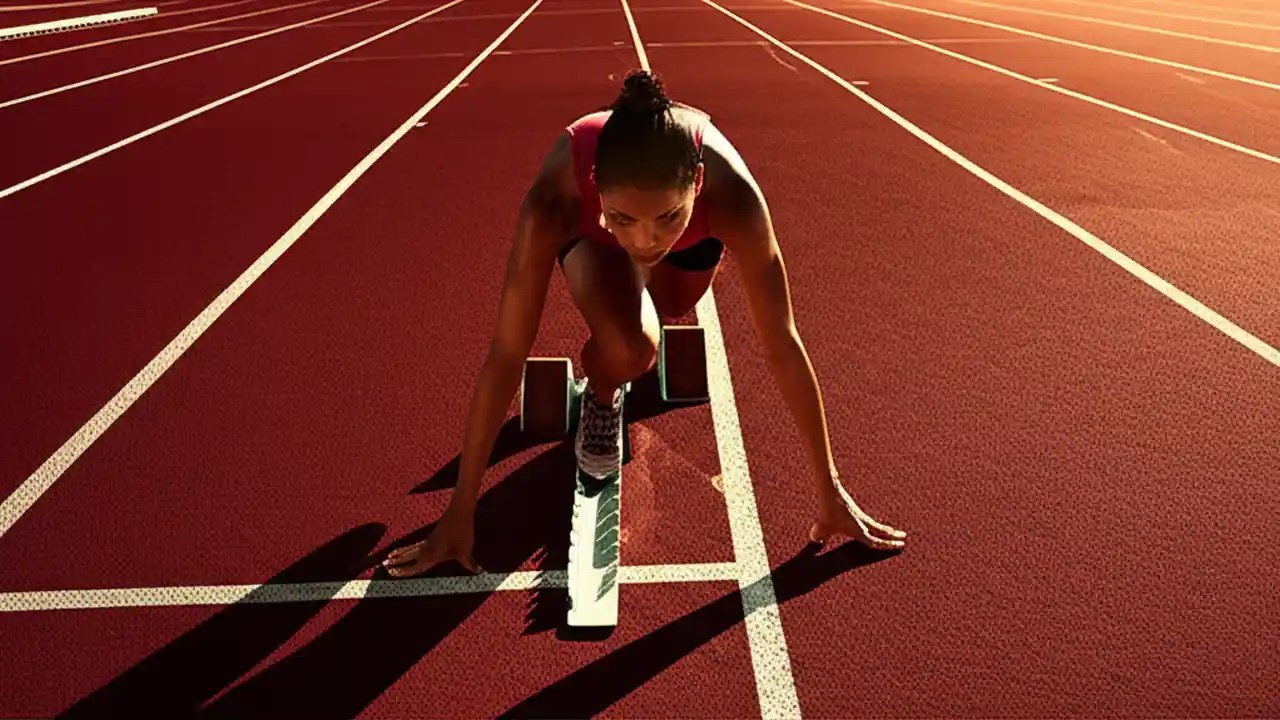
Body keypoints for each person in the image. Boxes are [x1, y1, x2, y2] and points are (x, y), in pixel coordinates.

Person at [384, 70, 906, 578]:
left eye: (666, 218)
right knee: (634, 349)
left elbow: (782, 346)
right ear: (595, 186)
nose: (645, 241)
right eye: (626, 219)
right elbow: (506, 353)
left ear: (697, 184)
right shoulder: (555, 201)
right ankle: (603, 392)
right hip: (593, 239)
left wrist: (828, 487)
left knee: (674, 305)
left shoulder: (735, 199)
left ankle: (642, 283)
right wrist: (460, 509)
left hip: (685, 239)